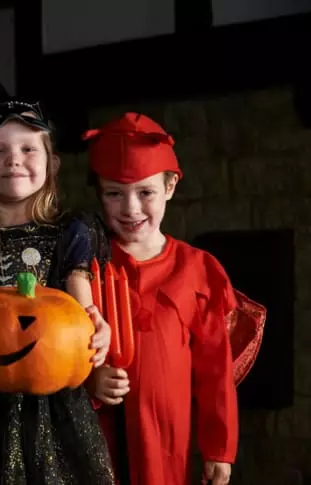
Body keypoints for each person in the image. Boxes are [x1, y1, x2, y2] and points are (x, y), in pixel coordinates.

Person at [0, 98, 115, 485]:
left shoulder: (70, 230)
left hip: (54, 406)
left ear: (52, 162)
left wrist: (98, 328)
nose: (13, 160)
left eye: (28, 149)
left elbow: (83, 312)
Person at [83, 112, 264, 485]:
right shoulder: (85, 268)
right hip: (98, 434)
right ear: (99, 193)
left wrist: (219, 449)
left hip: (168, 435)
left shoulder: (197, 269)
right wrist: (90, 380)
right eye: (114, 193)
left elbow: (216, 371)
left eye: (145, 192)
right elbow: (58, 346)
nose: (131, 209)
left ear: (170, 187)